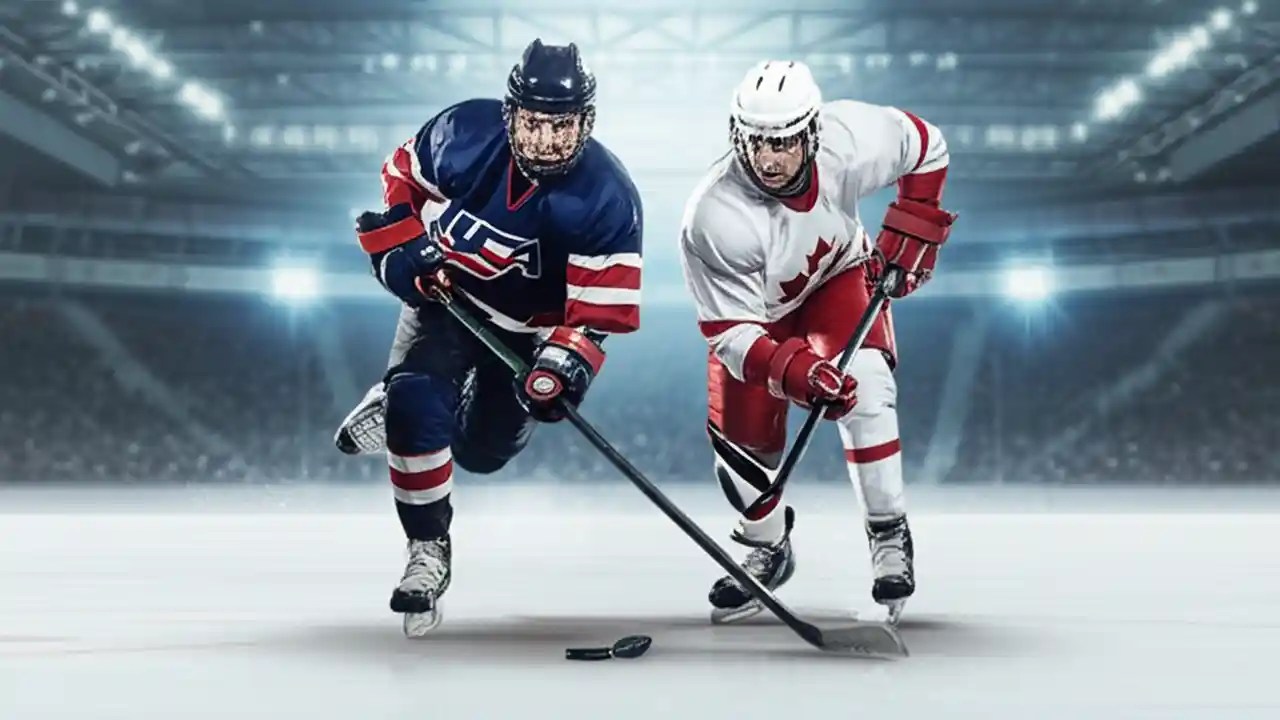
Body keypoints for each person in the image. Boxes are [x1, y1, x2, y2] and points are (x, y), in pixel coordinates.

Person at [337, 39, 644, 636]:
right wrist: (404, 253)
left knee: (483, 453)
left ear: (586, 122)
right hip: (450, 303)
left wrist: (563, 368)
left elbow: (590, 321)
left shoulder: (608, 197)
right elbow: (399, 184)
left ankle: (406, 407)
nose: (547, 141)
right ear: (509, 116)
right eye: (533, 123)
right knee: (417, 403)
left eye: (563, 126)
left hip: (530, 335)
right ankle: (427, 549)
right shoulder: (465, 133)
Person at [678, 60, 955, 625]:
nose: (770, 158)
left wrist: (915, 217)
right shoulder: (713, 215)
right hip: (753, 323)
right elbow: (730, 333)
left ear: (812, 132)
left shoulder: (850, 139)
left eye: (784, 142)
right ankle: (768, 546)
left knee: (869, 388)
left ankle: (887, 532)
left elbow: (928, 146)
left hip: (837, 279)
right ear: (738, 136)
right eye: (757, 142)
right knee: (740, 465)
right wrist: (797, 372)